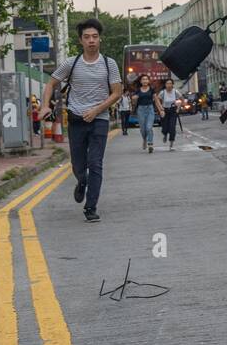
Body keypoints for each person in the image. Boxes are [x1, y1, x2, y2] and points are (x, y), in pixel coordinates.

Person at [40, 18, 122, 223]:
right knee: (78, 165)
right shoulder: (71, 63)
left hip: (99, 119)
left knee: (95, 163)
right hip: (76, 120)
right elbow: (51, 84)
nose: (91, 41)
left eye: (95, 36)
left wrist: (97, 110)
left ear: (100, 39)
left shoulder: (108, 63)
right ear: (81, 41)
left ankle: (90, 207)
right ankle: (81, 182)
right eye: (87, 37)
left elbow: (117, 92)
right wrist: (44, 105)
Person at [155, 78, 182, 150]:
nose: (169, 85)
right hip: (165, 111)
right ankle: (165, 134)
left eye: (170, 83)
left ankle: (171, 144)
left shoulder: (176, 92)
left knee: (172, 128)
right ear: (165, 85)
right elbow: (157, 100)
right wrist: (160, 109)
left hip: (173, 111)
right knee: (165, 127)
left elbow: (182, 99)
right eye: (167, 84)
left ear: (172, 84)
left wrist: (178, 108)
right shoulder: (162, 92)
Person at [133, 74, 157, 153]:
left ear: (148, 81)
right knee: (143, 129)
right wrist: (134, 98)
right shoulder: (138, 90)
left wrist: (161, 110)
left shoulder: (152, 89)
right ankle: (144, 139)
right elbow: (134, 100)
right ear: (140, 81)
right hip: (140, 110)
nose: (145, 81)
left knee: (149, 127)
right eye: (143, 79)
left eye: (146, 79)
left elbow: (156, 100)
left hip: (150, 109)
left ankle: (150, 144)